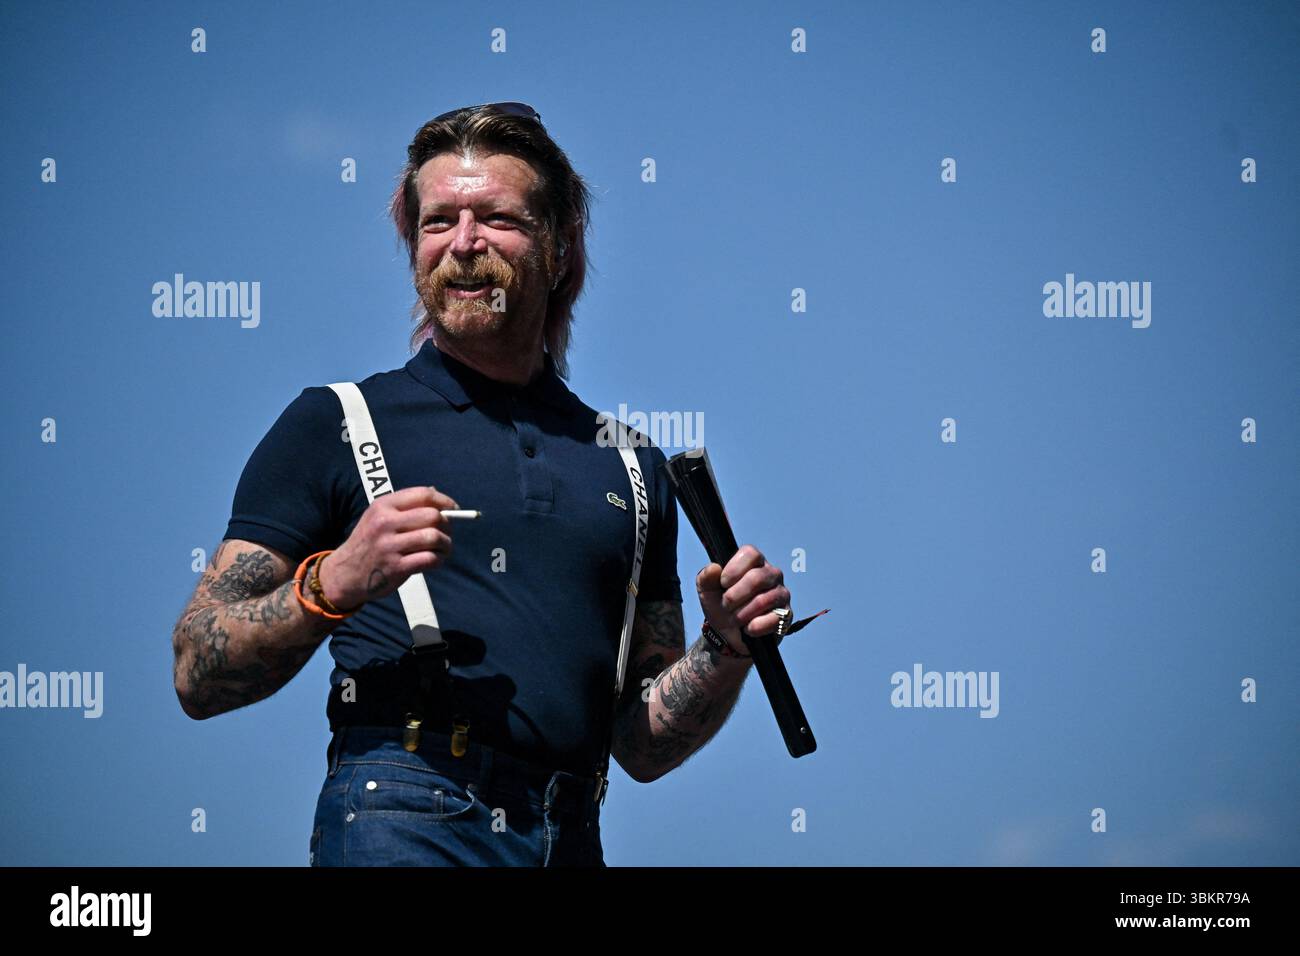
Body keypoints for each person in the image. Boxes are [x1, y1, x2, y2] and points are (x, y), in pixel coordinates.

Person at [170, 102, 795, 866]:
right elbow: (197, 673)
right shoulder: (337, 421)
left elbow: (641, 744)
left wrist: (725, 647)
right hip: (404, 817)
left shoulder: (630, 467)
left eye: (495, 217)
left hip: (572, 833)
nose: (463, 244)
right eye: (438, 222)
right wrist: (332, 580)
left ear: (560, 245)